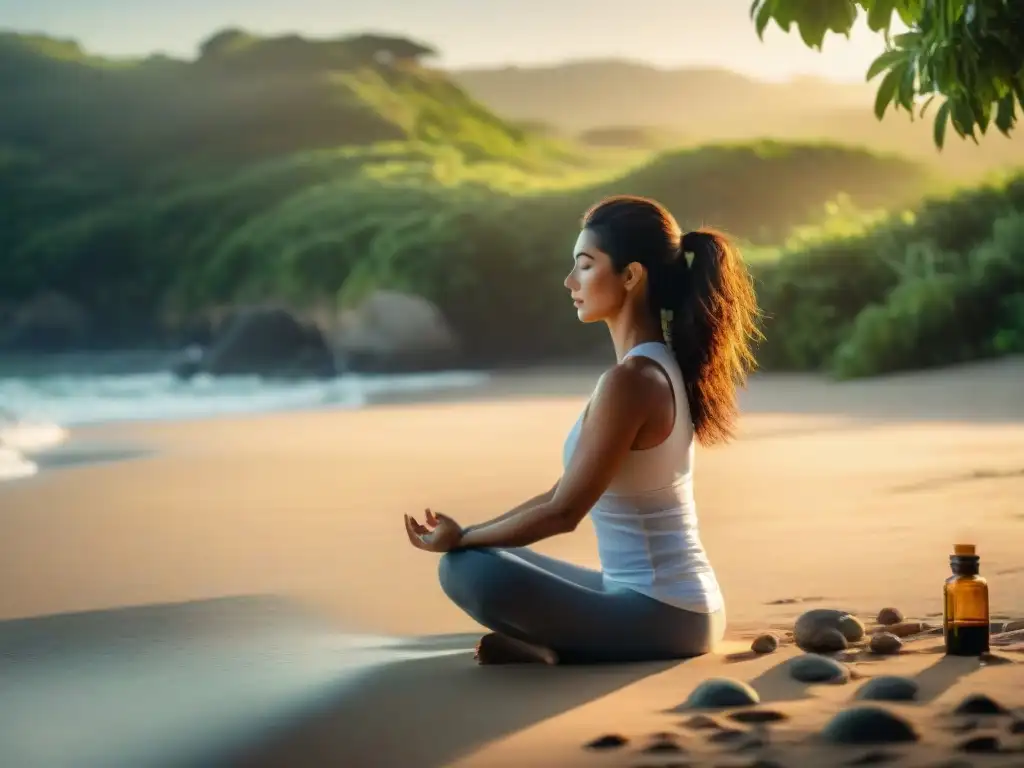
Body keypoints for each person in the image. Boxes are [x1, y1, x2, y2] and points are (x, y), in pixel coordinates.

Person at [403, 195, 761, 665]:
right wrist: (468, 532)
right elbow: (560, 493)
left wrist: (461, 542)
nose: (570, 281)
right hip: (672, 605)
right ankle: (555, 642)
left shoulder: (631, 381)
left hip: (666, 617)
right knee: (478, 557)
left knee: (466, 571)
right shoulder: (653, 368)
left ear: (631, 277)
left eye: (586, 266)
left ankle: (556, 646)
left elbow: (562, 513)